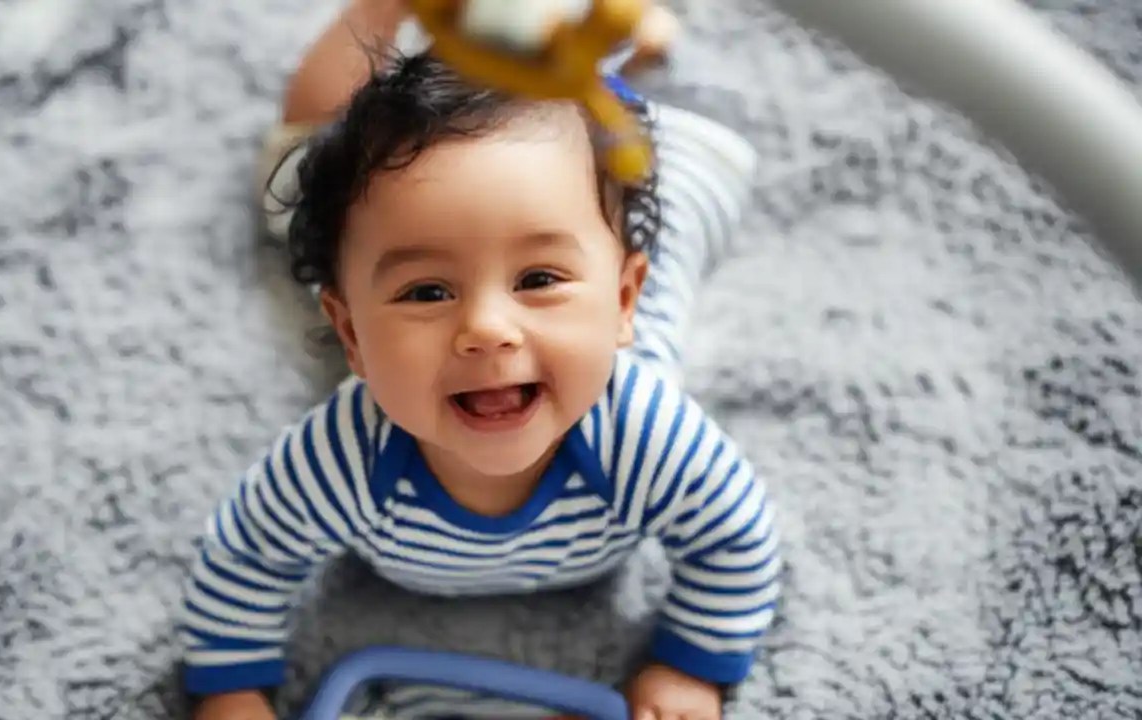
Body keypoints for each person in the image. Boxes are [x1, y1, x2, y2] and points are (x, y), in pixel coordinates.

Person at [184, 1, 780, 718]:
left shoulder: (642, 433)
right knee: (300, 172)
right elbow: (246, 557)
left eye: (537, 281)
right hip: (400, 187)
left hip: (642, 178)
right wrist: (231, 691)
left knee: (689, 151)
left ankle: (603, 50)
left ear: (624, 302)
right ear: (350, 336)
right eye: (428, 291)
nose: (488, 330)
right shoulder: (343, 455)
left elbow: (736, 541)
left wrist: (691, 668)